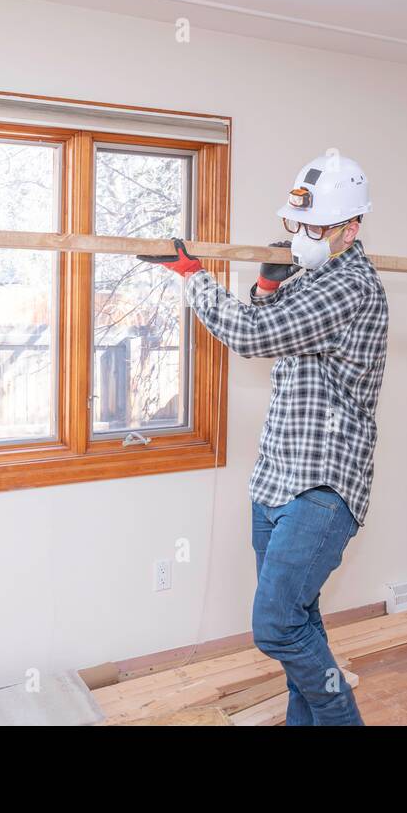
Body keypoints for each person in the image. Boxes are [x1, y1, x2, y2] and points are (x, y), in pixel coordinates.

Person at [137, 153, 389, 725]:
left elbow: (254, 337)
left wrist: (192, 276)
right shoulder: (316, 278)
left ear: (352, 228)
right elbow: (283, 331)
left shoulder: (349, 287)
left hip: (322, 486)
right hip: (277, 475)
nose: (301, 237)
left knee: (276, 626)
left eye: (316, 228)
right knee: (299, 621)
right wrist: (267, 288)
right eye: (295, 226)